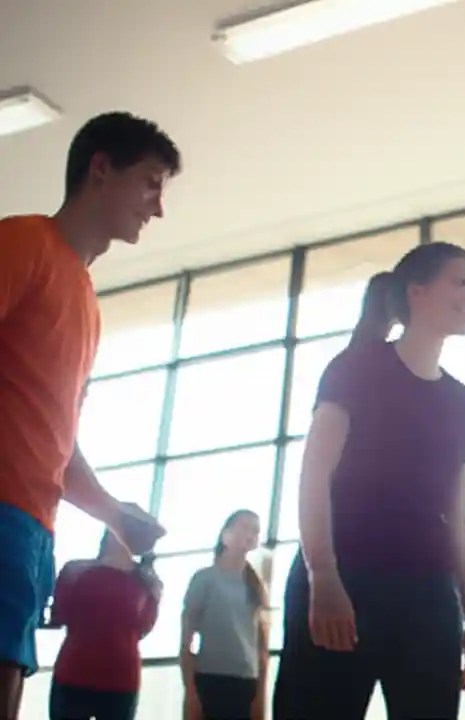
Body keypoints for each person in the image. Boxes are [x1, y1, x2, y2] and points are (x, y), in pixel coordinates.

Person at [0, 111, 174, 717]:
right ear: (101, 169)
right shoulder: (22, 242)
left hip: (30, 529)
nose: (157, 208)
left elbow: (55, 437)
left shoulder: (87, 305)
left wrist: (114, 515)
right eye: (151, 183)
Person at [272, 242, 465, 720]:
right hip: (343, 579)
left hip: (428, 592)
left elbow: (459, 521)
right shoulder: (355, 368)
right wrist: (323, 574)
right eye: (460, 281)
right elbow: (314, 475)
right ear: (416, 291)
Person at [46, 518, 162, 720]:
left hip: (119, 677)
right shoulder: (75, 570)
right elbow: (59, 614)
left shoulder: (147, 582)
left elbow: (143, 627)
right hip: (76, 671)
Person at [179, 510, 269, 720]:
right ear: (225, 534)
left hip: (246, 682)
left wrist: (260, 696)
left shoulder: (255, 586)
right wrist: (191, 693)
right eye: (244, 527)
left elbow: (261, 649)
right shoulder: (203, 579)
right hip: (209, 680)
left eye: (255, 530)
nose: (250, 534)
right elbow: (186, 642)